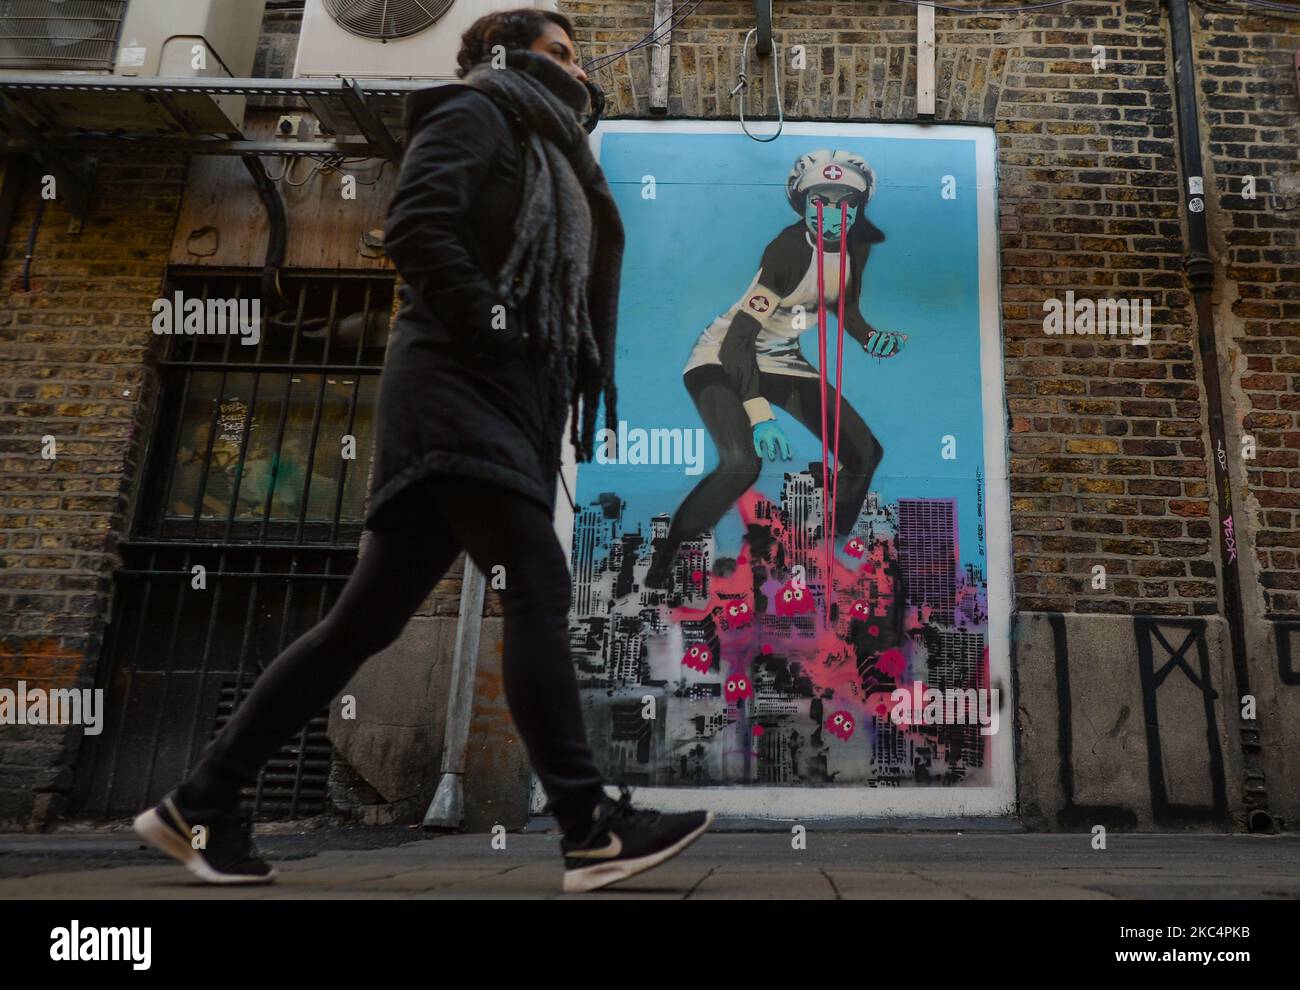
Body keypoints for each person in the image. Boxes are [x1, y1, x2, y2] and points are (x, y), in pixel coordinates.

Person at [134, 7, 712, 895]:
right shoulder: (476, 107)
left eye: (577, 53)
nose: (579, 67)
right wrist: (497, 327)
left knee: (362, 625)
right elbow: (414, 227)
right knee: (538, 581)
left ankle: (202, 800)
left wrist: (524, 360)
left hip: (497, 403)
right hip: (456, 391)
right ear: (505, 54)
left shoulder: (551, 145)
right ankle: (589, 824)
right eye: (560, 51)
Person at [644, 150, 905, 591]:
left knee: (864, 453)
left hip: (782, 360)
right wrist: (760, 415)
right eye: (819, 202)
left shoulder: (856, 249)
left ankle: (829, 549)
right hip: (721, 359)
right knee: (742, 463)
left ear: (857, 209)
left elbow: (847, 309)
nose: (831, 215)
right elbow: (738, 341)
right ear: (803, 205)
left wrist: (871, 338)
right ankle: (665, 559)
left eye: (844, 204)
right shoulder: (786, 250)